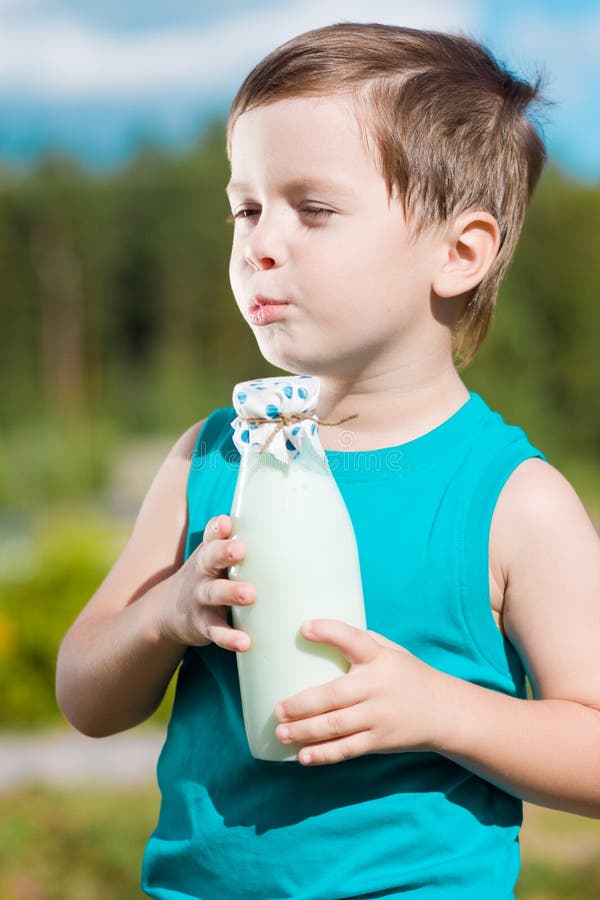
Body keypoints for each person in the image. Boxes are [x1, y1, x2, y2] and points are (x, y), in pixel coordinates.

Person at [55, 22, 600, 900]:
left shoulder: (510, 501)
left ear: (460, 253)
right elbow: (85, 697)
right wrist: (166, 614)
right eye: (246, 207)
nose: (259, 243)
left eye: (312, 208)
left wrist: (445, 711)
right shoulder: (212, 457)